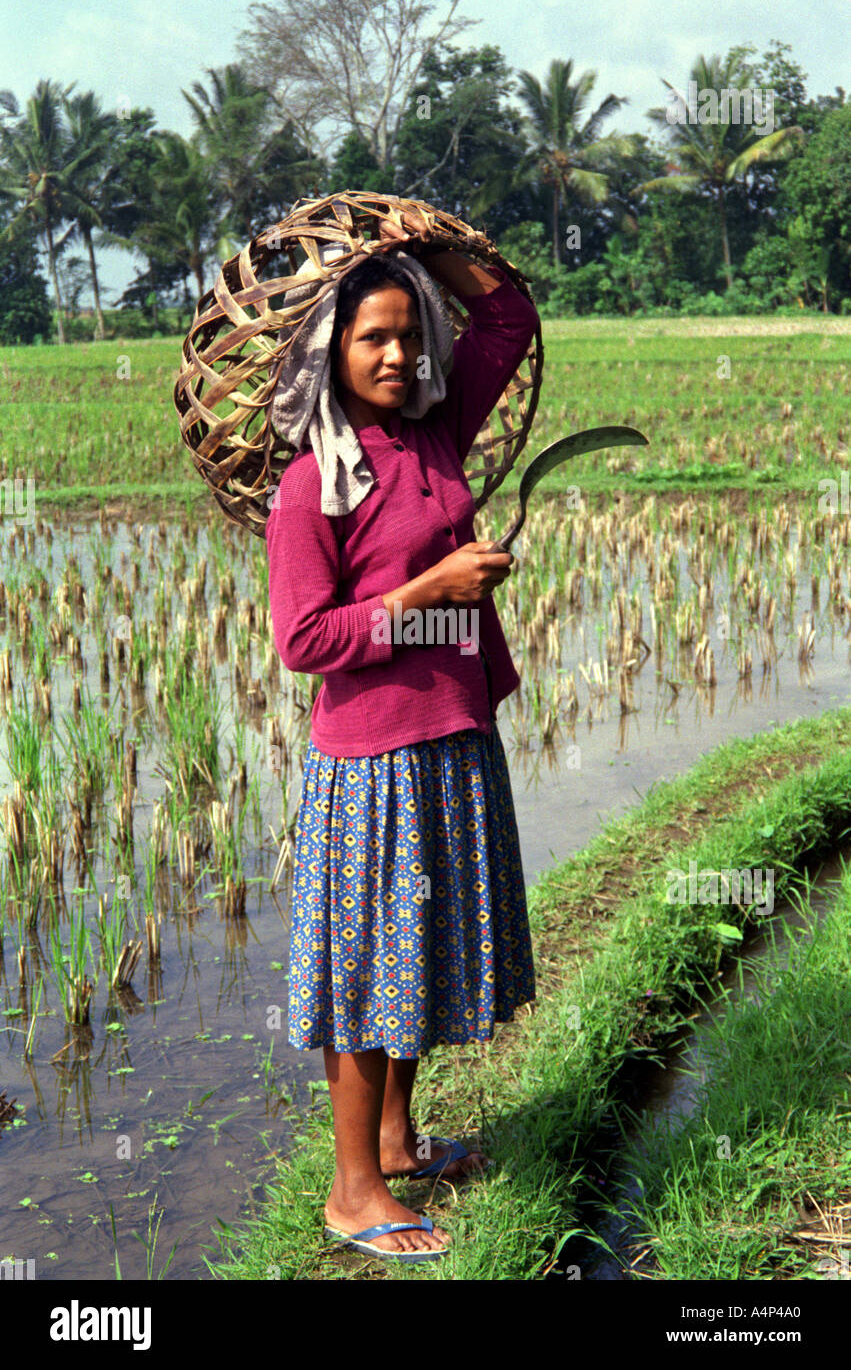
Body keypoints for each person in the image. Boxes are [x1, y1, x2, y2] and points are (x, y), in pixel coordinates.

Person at [266, 208, 539, 1261]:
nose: (397, 353)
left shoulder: (432, 430)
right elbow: (305, 637)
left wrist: (417, 257)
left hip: (450, 730)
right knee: (368, 967)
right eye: (372, 335)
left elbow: (506, 315)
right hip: (371, 755)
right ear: (330, 354)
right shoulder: (312, 482)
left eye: (407, 331)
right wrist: (433, 587)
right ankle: (351, 1192)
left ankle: (396, 1140)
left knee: (415, 954)